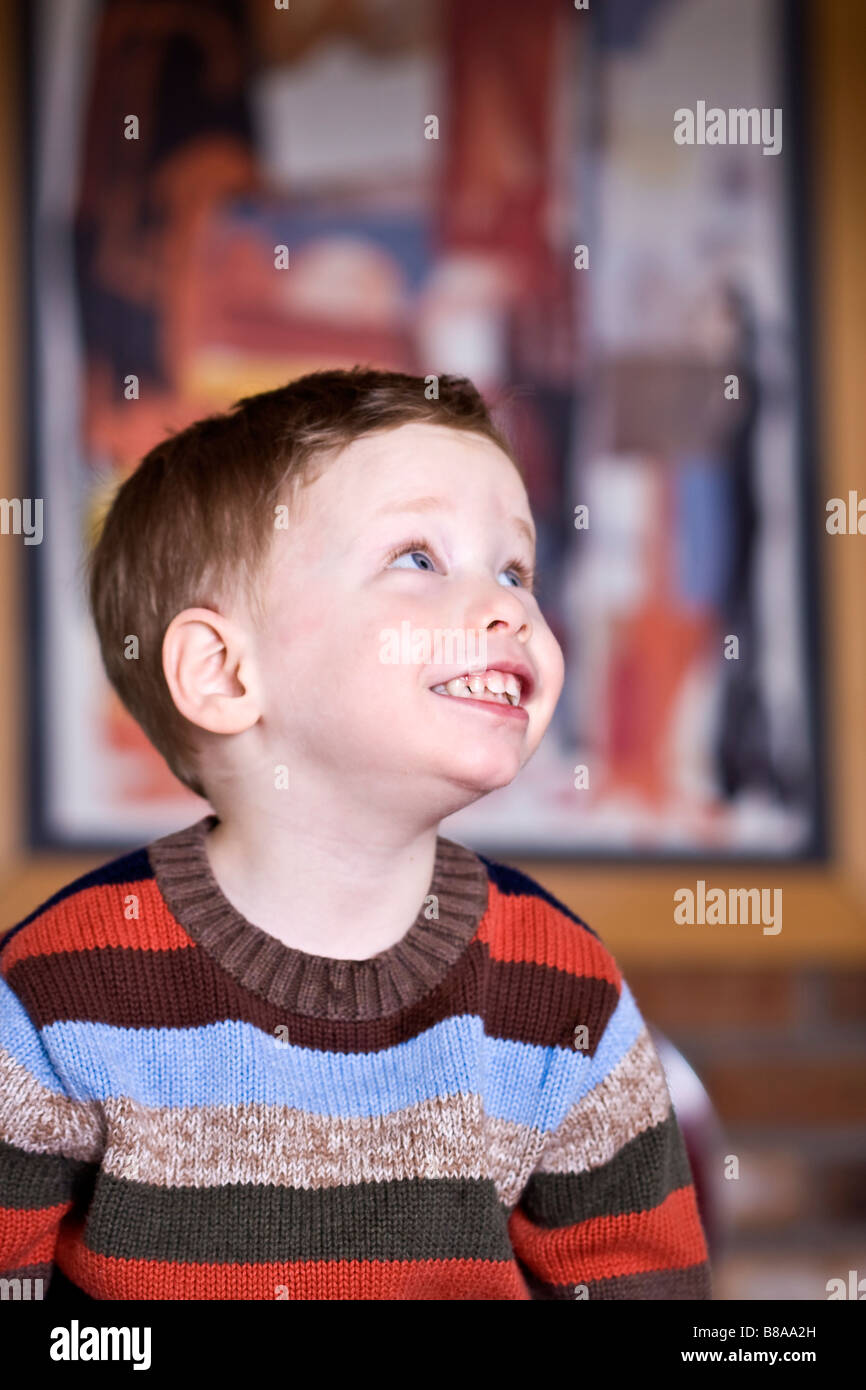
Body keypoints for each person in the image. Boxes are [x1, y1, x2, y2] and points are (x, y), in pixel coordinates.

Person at [0, 367, 711, 1300]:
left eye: (515, 569)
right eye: (418, 557)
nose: (514, 610)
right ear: (223, 673)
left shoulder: (561, 982)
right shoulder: (60, 988)